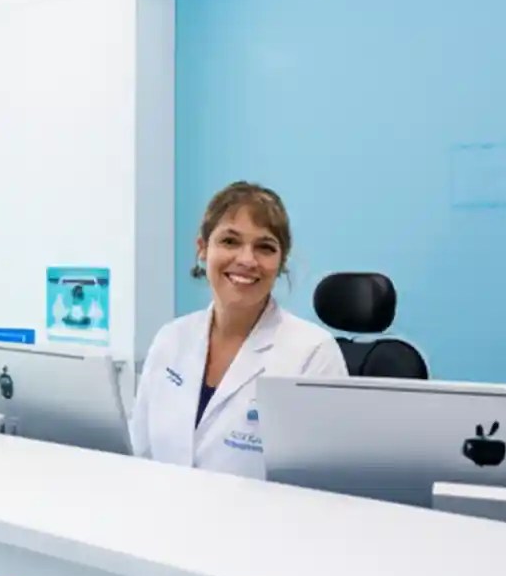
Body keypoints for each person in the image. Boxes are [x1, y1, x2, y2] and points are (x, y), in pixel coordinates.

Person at [128, 181, 348, 479]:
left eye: (265, 247)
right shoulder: (171, 338)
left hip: (265, 523)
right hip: (164, 517)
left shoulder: (312, 354)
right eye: (230, 241)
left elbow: (326, 481)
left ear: (280, 262)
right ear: (203, 249)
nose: (246, 260)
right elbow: (139, 452)